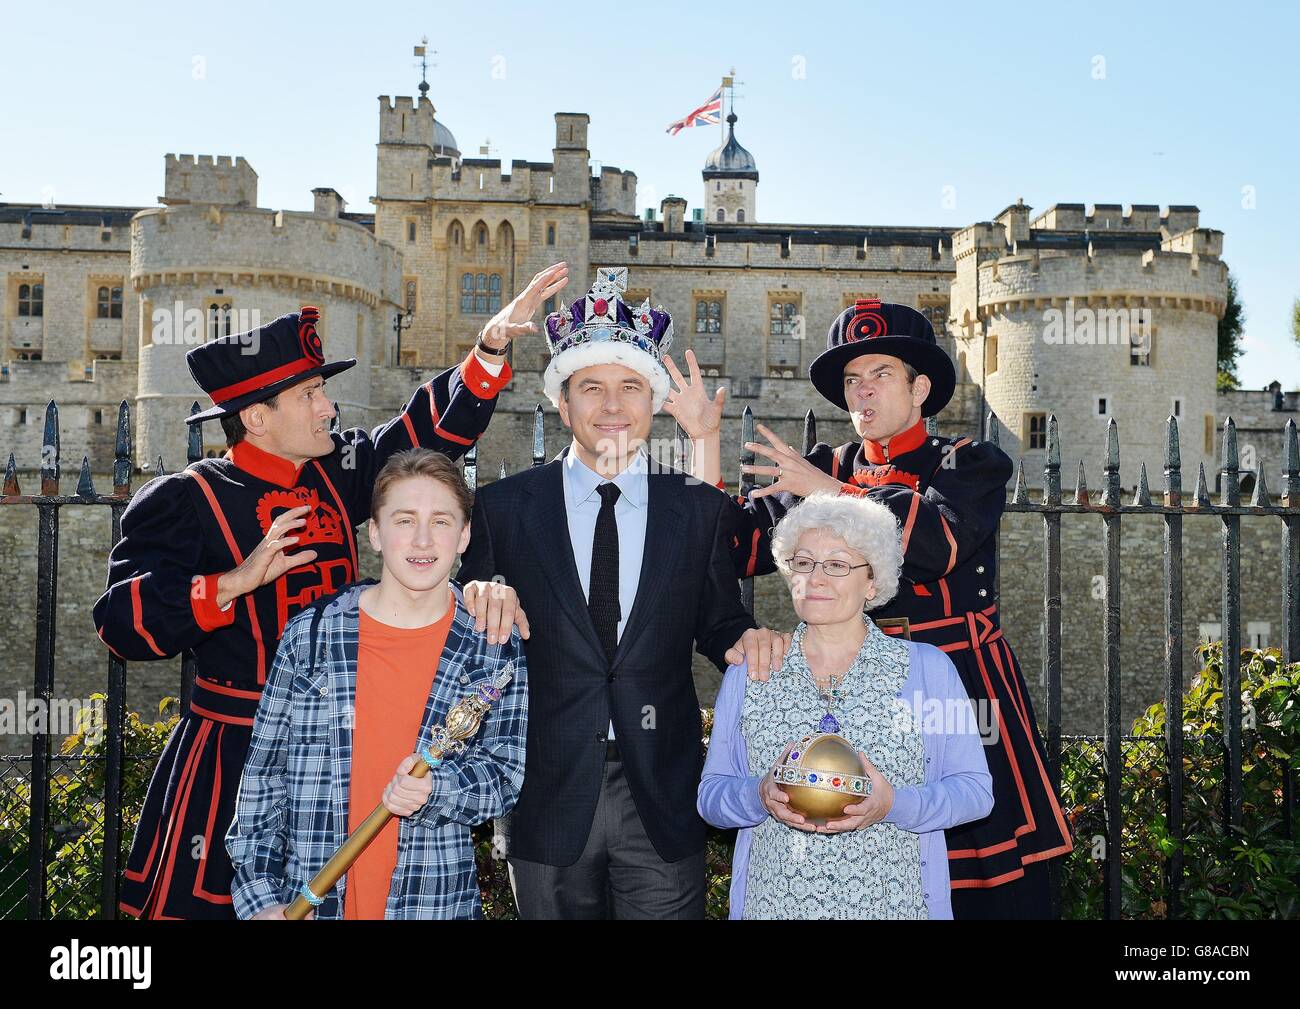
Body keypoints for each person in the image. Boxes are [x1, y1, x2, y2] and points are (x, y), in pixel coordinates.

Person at [94, 264, 561, 919]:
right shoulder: (185, 499)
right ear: (256, 416)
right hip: (232, 763)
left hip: (348, 752)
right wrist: (234, 581)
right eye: (311, 394)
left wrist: (486, 352)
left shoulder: (343, 469)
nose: (329, 407)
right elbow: (121, 622)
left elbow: (426, 435)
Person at [666, 298, 1072, 918]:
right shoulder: (822, 467)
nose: (862, 392)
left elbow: (938, 543)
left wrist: (825, 490)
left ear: (921, 387)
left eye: (880, 374)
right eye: (852, 380)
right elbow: (724, 545)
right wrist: (704, 439)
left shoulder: (967, 460)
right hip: (837, 672)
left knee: (988, 883)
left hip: (955, 679)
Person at [456, 266, 790, 919]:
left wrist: (752, 643)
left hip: (659, 794)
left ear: (653, 399)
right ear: (562, 402)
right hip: (547, 794)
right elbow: (473, 613)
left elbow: (719, 624)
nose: (612, 406)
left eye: (630, 387)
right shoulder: (502, 509)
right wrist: (477, 595)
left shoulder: (696, 507)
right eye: (592, 388)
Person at [227, 448, 527, 919]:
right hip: (310, 905)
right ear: (375, 532)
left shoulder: (492, 642)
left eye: (442, 521)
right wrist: (260, 899)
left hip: (432, 903)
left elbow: (505, 776)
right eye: (404, 520)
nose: (423, 539)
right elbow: (263, 779)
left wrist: (437, 790)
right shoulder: (313, 635)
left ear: (465, 535)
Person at [698, 493, 992, 919]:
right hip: (774, 907)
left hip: (895, 908)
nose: (816, 578)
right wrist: (758, 794)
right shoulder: (752, 670)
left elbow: (974, 793)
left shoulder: (927, 670)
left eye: (837, 564)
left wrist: (893, 804)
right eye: (803, 563)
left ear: (872, 582)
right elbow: (711, 797)